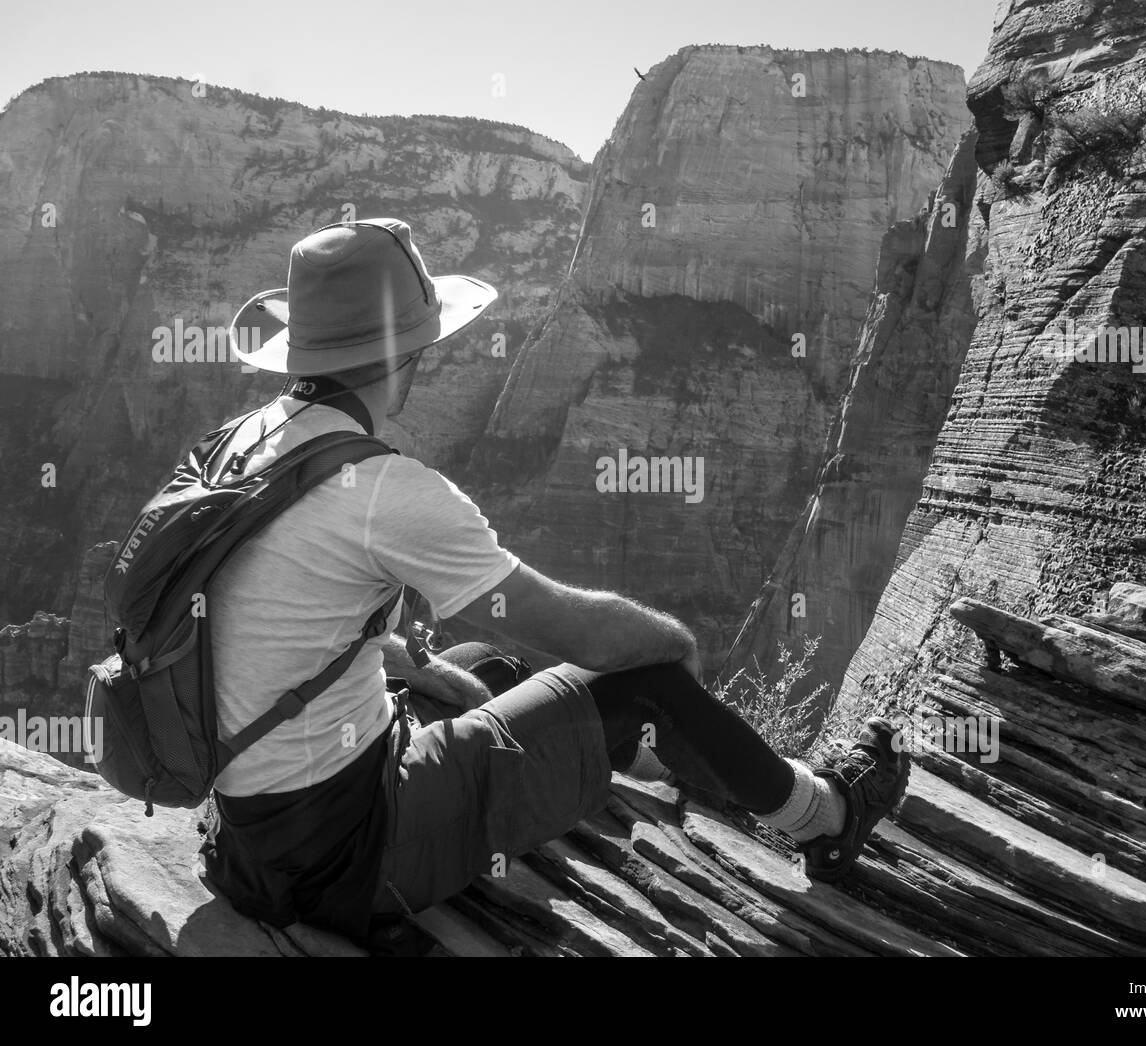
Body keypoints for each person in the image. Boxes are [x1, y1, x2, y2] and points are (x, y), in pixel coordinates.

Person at [203, 217, 909, 946]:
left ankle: (649, 762)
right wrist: (672, 645)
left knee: (485, 668)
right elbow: (571, 629)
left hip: (247, 841)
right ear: (406, 350)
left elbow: (293, 629)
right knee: (650, 676)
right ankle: (823, 817)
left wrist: (432, 676)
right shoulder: (383, 489)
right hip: (352, 856)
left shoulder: (236, 448)